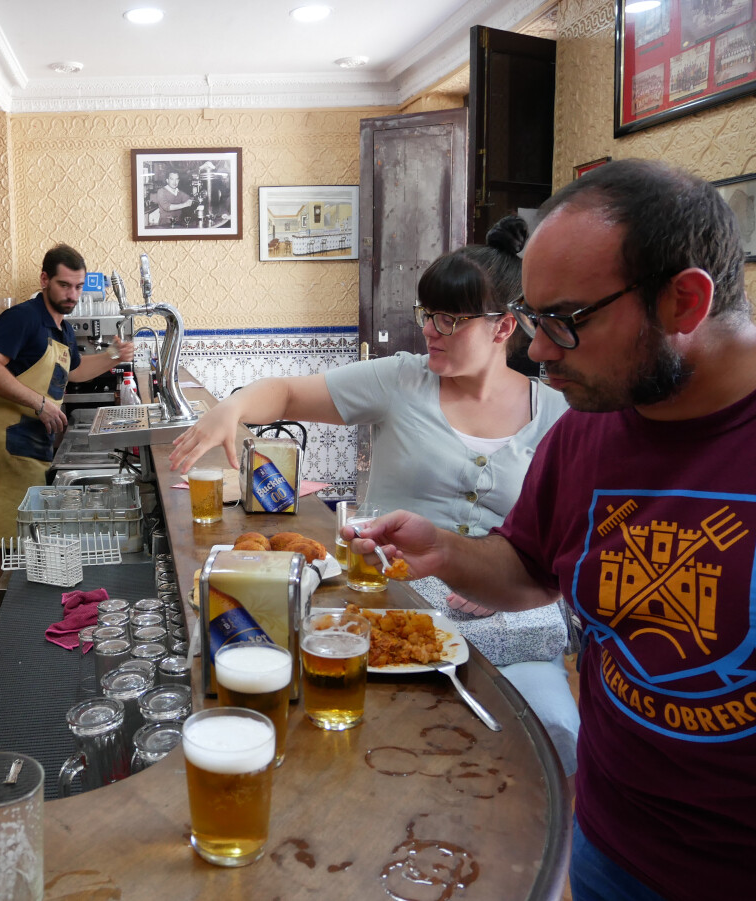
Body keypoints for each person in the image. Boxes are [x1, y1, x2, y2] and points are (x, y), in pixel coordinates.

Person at [355, 160, 755, 901]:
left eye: (565, 321)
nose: (536, 351)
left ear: (685, 301)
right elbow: (530, 566)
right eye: (533, 321)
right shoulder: (587, 432)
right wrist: (446, 550)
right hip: (606, 847)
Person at [169, 216, 580, 776]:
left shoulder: (559, 412)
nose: (430, 330)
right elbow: (287, 391)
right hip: (398, 607)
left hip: (514, 622)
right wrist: (233, 407)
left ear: (505, 326)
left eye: (450, 318)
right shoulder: (403, 380)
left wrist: (503, 583)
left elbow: (570, 539)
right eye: (426, 314)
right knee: (385, 750)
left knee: (554, 737)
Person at [0, 244, 134, 643]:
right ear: (44, 280)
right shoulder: (22, 318)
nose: (72, 294)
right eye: (64, 285)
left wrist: (113, 355)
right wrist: (39, 402)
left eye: (77, 286)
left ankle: (14, 630)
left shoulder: (59, 327)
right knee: (5, 546)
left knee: (21, 542)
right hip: (4, 443)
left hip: (28, 442)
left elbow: (74, 372)